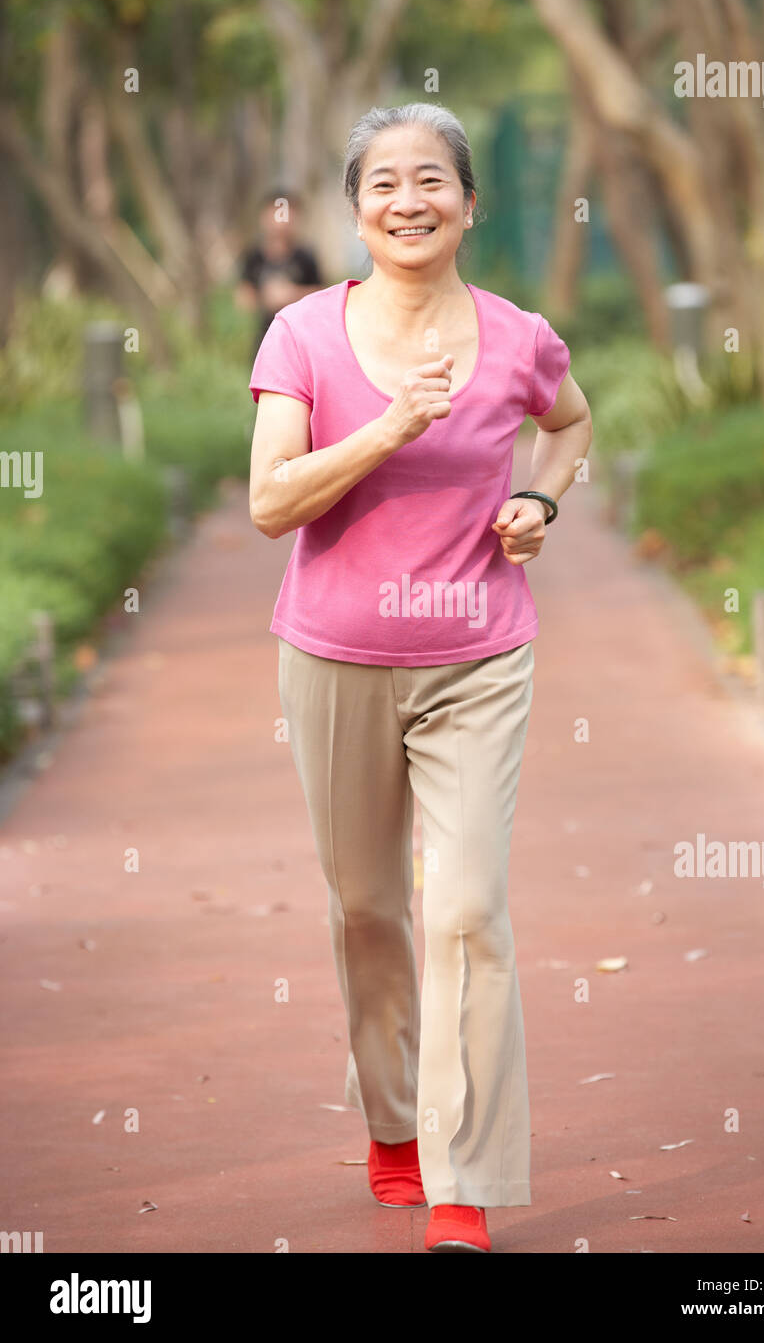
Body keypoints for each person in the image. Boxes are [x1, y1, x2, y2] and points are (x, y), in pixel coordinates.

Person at [247, 102, 592, 1253]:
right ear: (355, 212)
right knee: (365, 907)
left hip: (477, 658)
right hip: (334, 658)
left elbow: (571, 423)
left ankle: (463, 1178)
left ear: (468, 203)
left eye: (431, 180)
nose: (409, 200)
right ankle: (391, 1119)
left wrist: (540, 497)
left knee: (467, 911)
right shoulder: (299, 335)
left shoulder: (517, 335)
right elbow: (269, 503)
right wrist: (390, 427)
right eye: (384, 183)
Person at [235, 189, 323, 360]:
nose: (282, 221)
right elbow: (242, 298)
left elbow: (321, 293)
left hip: (300, 340)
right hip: (264, 338)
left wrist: (292, 294)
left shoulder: (305, 256)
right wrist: (266, 297)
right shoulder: (254, 256)